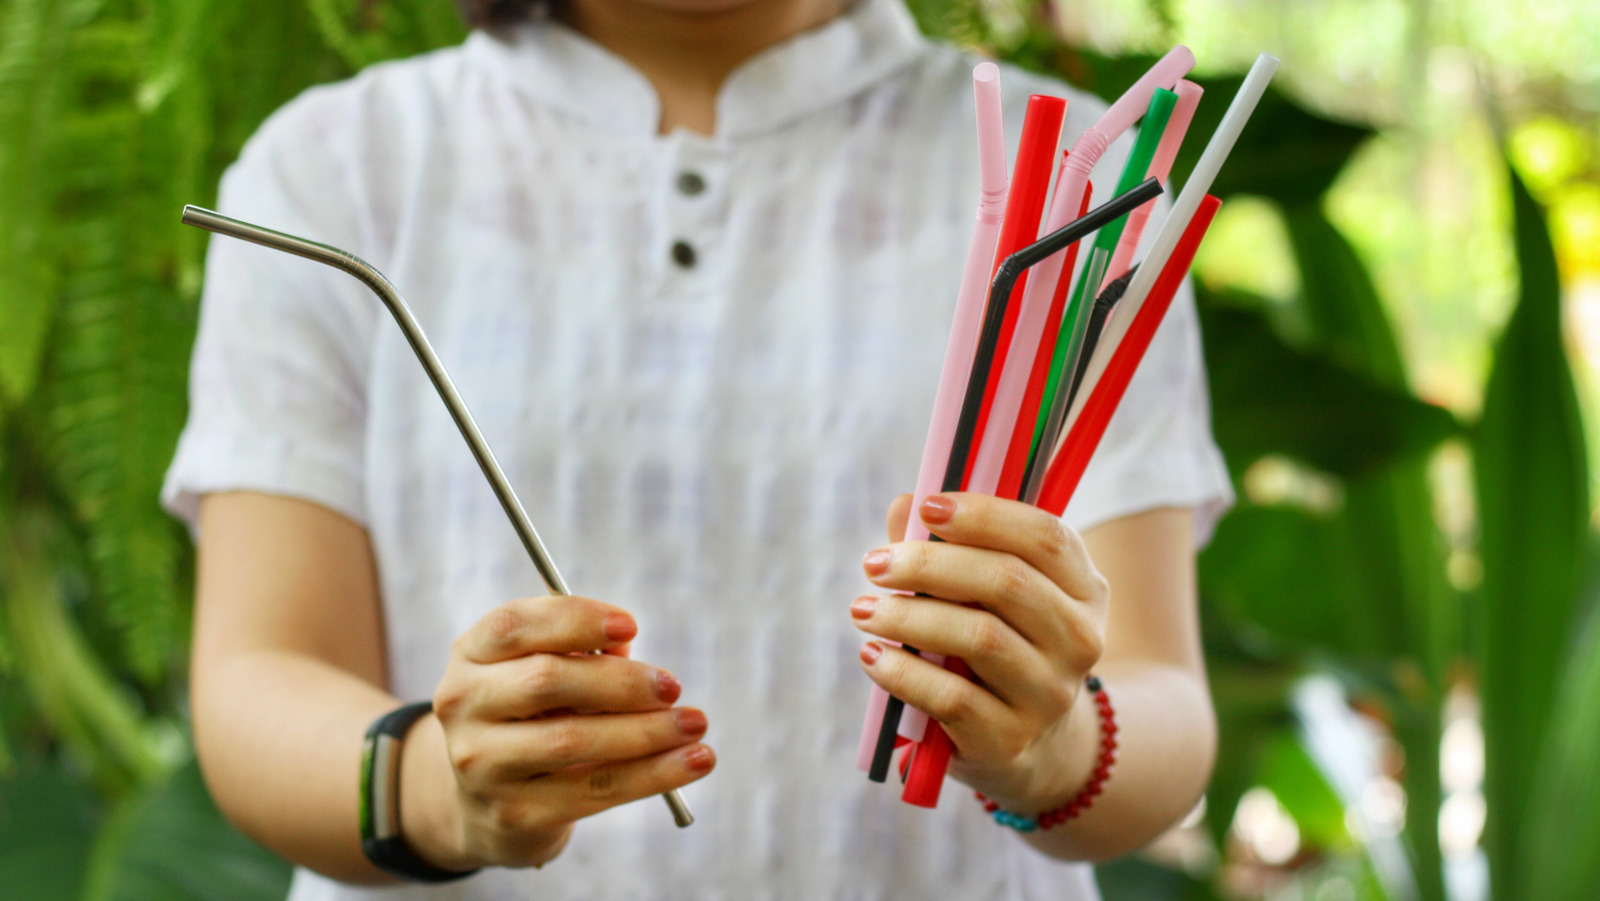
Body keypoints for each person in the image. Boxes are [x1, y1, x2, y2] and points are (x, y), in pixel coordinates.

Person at [162, 0, 1234, 897]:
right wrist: (442, 786)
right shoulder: (336, 171)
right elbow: (261, 676)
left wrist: (1047, 743)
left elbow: (1161, 702)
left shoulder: (1078, 200)